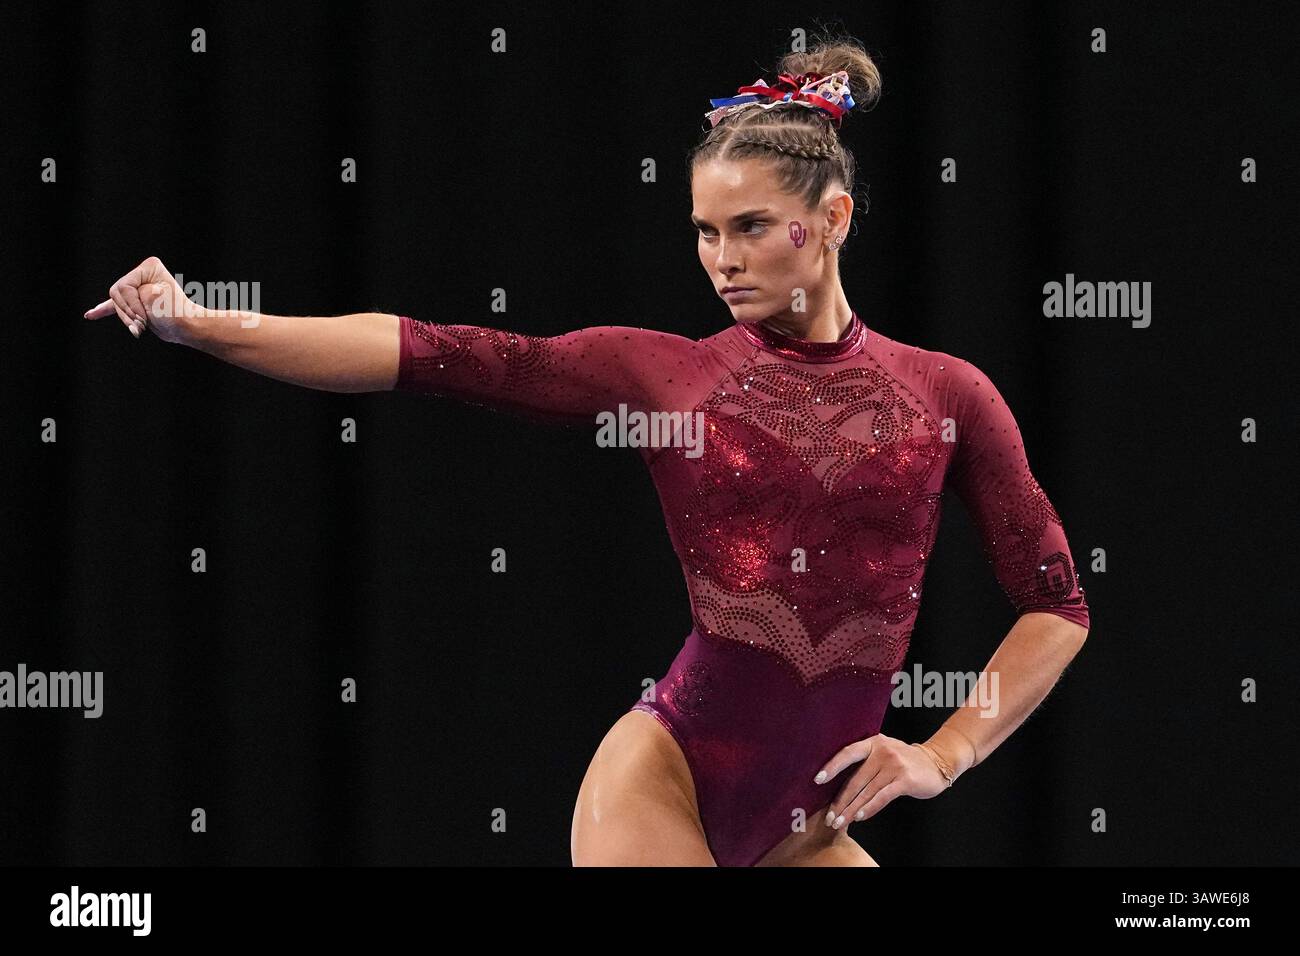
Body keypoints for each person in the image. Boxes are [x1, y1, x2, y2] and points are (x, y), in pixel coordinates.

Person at [84, 37, 1090, 867]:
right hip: (665, 782)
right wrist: (203, 325)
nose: (721, 258)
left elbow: (1055, 604)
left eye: (748, 228)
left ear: (828, 220)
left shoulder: (946, 394)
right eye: (703, 230)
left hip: (808, 827)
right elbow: (435, 352)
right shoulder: (667, 375)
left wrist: (944, 753)